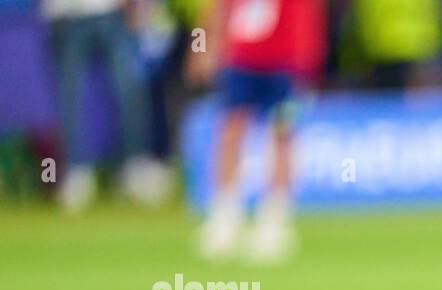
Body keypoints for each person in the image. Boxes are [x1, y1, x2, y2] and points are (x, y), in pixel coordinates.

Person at [190, 0, 326, 261]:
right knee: (231, 131)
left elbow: (311, 13)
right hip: (241, 58)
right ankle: (225, 217)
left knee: (283, 135)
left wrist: (310, 61)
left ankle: (274, 220)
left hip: (287, 61)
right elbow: (217, 8)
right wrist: (202, 49)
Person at [43, 0, 172, 211]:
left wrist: (136, 8)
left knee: (130, 86)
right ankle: (76, 171)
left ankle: (134, 167)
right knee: (69, 94)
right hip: (65, 15)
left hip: (109, 11)